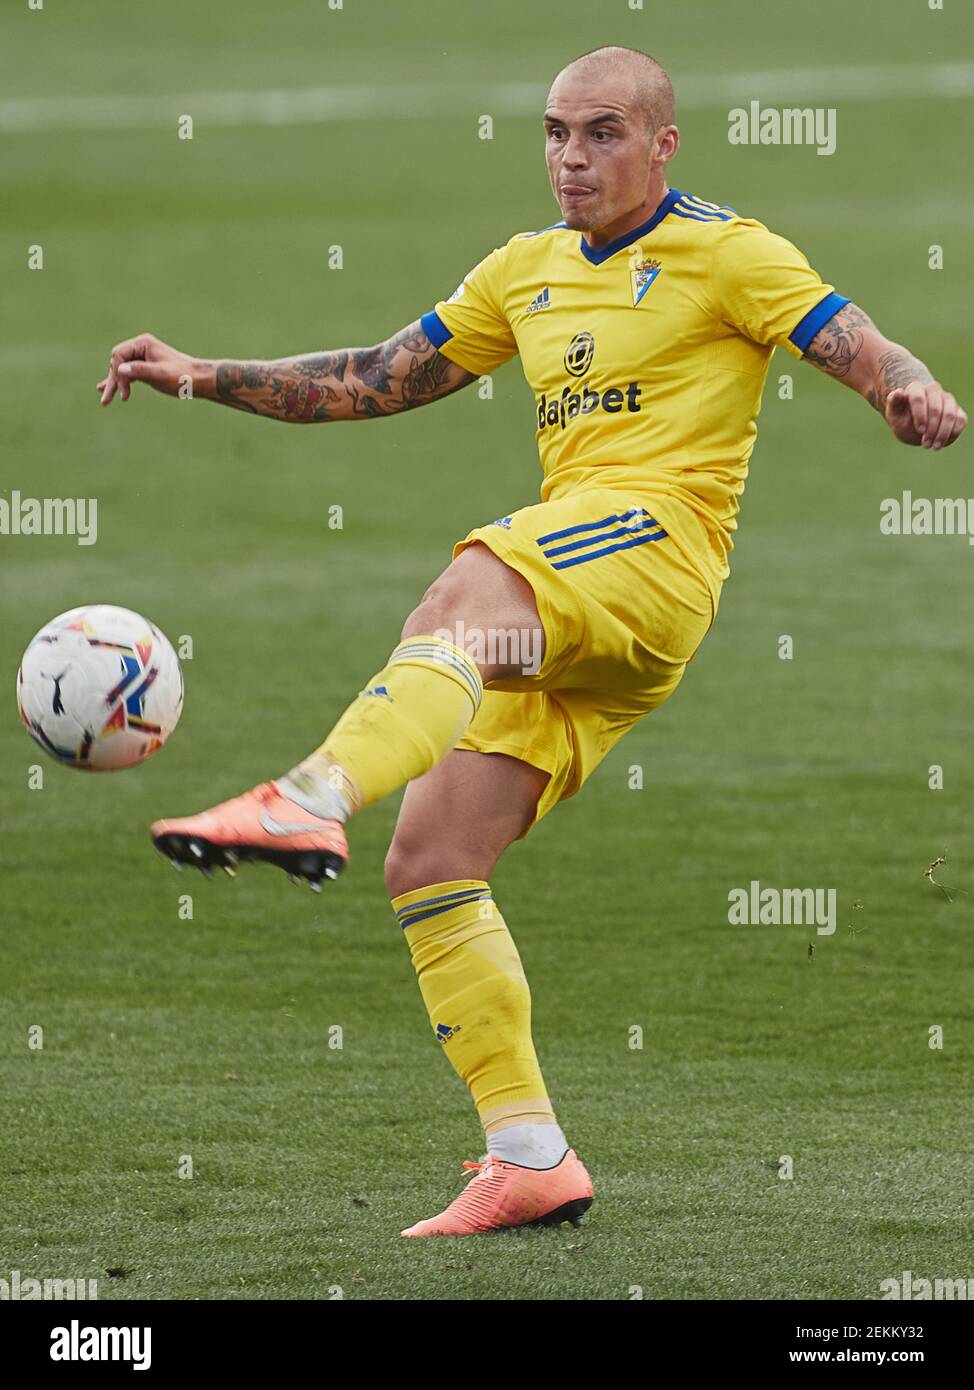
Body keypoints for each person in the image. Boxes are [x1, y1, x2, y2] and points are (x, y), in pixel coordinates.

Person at [97, 46, 967, 1238]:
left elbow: (857, 342)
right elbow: (376, 377)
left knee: (460, 591)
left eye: (602, 134)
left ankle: (307, 795)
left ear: (662, 145)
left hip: (653, 557)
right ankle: (527, 1153)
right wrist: (201, 373)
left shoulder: (731, 251)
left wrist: (905, 392)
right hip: (581, 610)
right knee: (432, 857)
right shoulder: (525, 270)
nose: (570, 158)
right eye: (555, 133)